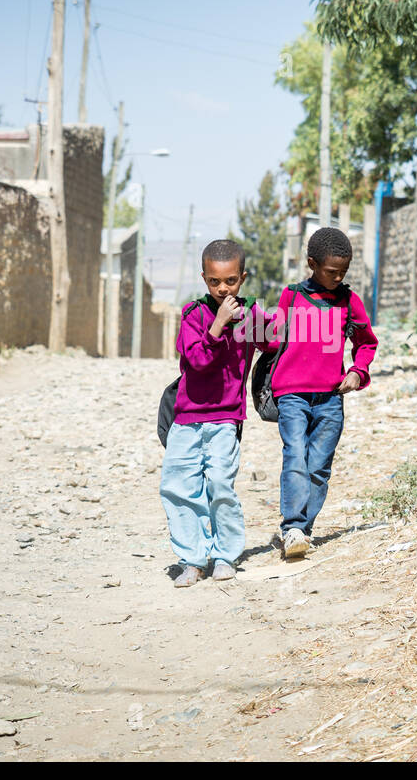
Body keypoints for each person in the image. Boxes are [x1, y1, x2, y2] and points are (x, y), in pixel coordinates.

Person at [160, 239, 275, 587]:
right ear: (204, 278)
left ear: (242, 277)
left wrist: (264, 322)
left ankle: (225, 556)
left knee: (221, 486)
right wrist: (218, 324)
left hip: (227, 419)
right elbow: (196, 362)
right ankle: (192, 560)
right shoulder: (194, 315)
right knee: (179, 487)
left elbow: (275, 342)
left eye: (230, 281)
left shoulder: (250, 314)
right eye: (214, 281)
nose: (222, 288)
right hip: (187, 418)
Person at [268, 227, 378, 559]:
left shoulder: (349, 301)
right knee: (296, 456)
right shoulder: (292, 296)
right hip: (292, 394)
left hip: (330, 398)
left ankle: (304, 528)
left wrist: (358, 372)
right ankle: (292, 528)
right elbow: (273, 337)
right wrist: (247, 326)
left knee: (319, 466)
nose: (338, 277)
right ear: (312, 264)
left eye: (343, 271)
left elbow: (366, 343)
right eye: (332, 272)